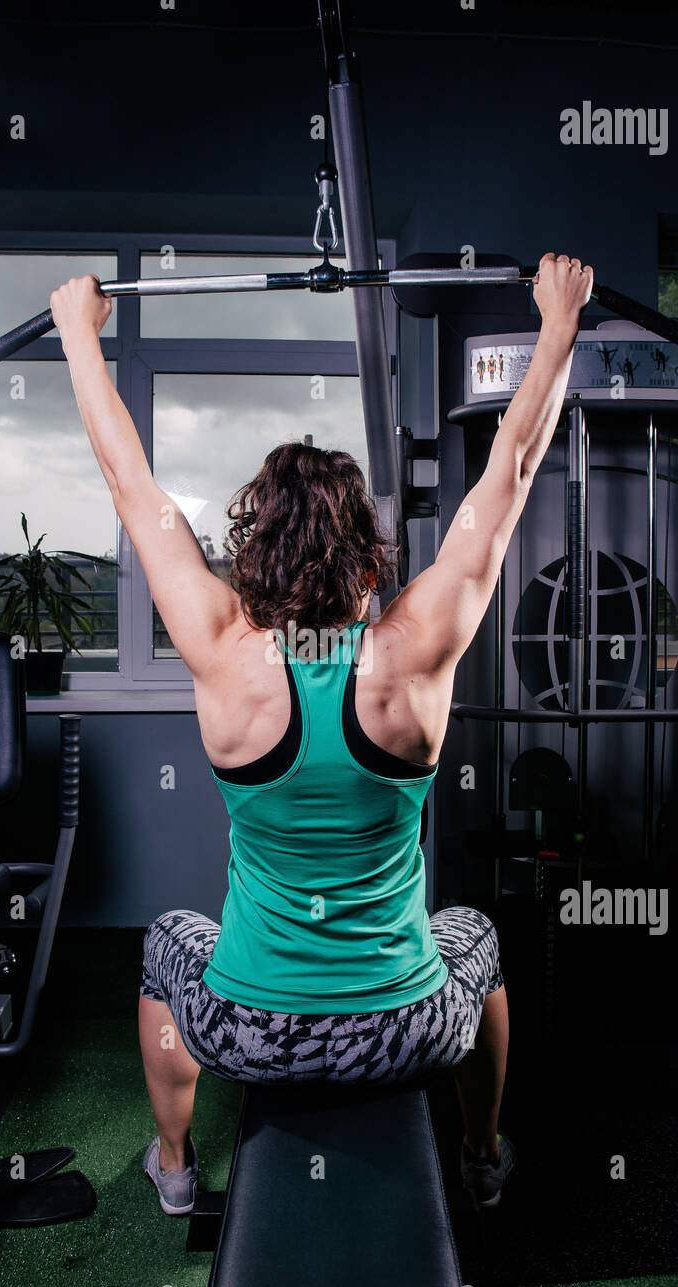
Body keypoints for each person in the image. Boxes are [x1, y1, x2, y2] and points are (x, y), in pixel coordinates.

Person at [51, 250, 593, 1217]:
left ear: (254, 551)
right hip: (407, 1027)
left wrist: (79, 342)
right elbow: (506, 478)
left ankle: (173, 1170)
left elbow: (133, 491)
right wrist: (559, 323)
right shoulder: (413, 650)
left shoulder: (221, 649)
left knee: (169, 940)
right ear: (368, 549)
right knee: (476, 933)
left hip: (252, 1029)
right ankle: (479, 1152)